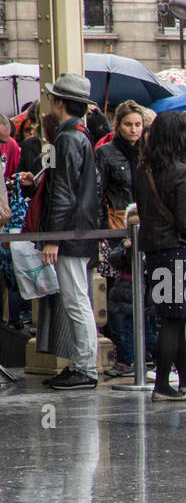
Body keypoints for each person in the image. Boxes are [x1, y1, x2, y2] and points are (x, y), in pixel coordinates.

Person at [134, 111, 186, 402]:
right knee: (174, 319)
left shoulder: (144, 169)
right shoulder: (182, 173)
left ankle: (184, 376)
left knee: (175, 316)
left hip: (155, 251)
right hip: (175, 251)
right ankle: (162, 385)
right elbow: (185, 222)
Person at [37, 74, 102, 391]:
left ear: (59, 102)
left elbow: (62, 193)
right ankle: (83, 364)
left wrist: (53, 238)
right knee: (78, 299)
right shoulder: (80, 135)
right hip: (80, 229)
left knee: (76, 300)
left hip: (71, 232)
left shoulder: (68, 139)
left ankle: (85, 367)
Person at [96, 100, 146, 378]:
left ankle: (142, 355)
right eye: (129, 124)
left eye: (138, 124)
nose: (134, 130)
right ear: (118, 124)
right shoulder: (106, 153)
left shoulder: (147, 152)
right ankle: (126, 356)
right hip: (117, 228)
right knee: (119, 295)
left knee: (144, 292)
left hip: (145, 227)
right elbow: (98, 191)